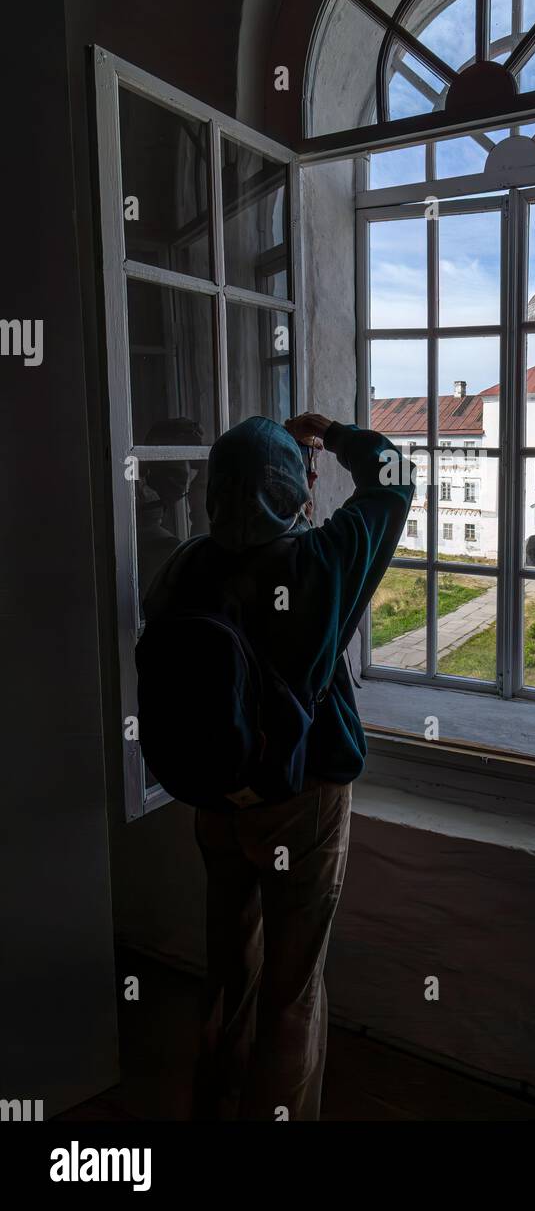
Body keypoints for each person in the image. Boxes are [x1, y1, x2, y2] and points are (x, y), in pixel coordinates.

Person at [143, 411, 415, 1121]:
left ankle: (213, 1099)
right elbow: (395, 476)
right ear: (296, 487)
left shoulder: (185, 564)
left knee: (229, 964)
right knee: (292, 990)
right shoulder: (321, 562)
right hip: (303, 796)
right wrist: (330, 430)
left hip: (213, 797)